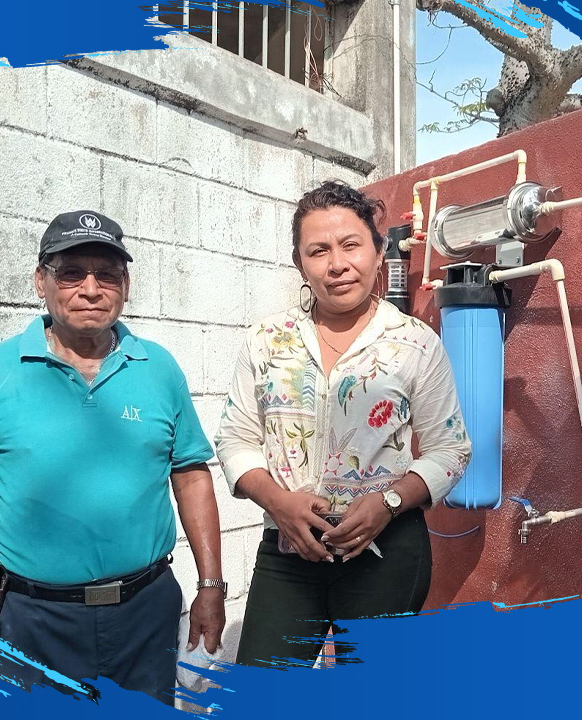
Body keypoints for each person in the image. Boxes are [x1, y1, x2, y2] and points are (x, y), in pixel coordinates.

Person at [0, 210, 224, 703]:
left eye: (107, 274)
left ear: (125, 285)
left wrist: (211, 585)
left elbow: (192, 475)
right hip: (31, 620)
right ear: (40, 282)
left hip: (146, 611)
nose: (90, 288)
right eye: (71, 273)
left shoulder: (159, 368)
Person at [215, 180, 471, 666]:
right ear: (300, 264)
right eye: (318, 250)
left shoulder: (414, 342)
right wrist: (279, 502)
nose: (337, 264)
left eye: (351, 245)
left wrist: (388, 503)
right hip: (289, 553)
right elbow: (235, 439)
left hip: (385, 551)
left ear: (377, 253)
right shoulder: (267, 340)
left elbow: (450, 450)